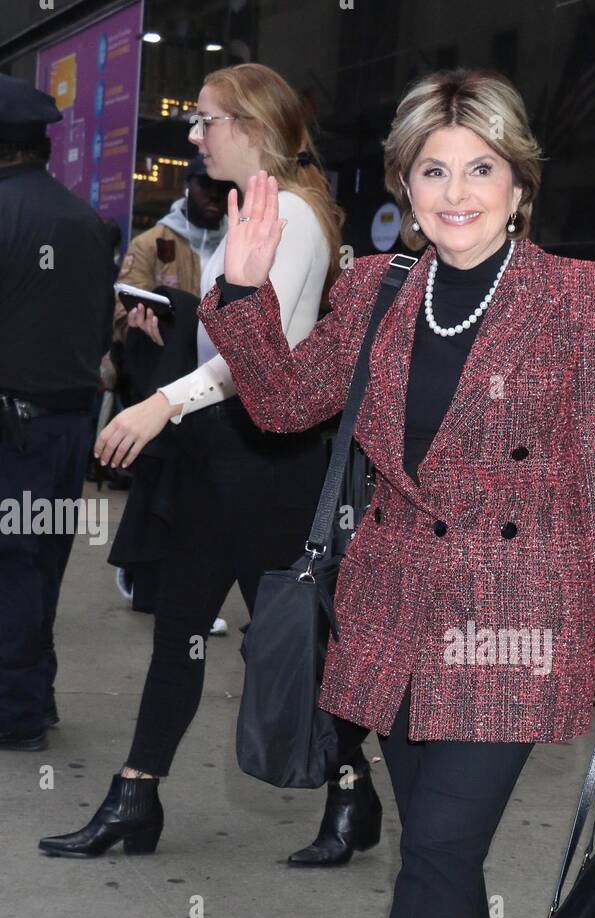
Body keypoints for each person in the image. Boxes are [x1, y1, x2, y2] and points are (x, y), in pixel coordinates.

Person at [198, 67, 595, 918]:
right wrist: (246, 298)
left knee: (440, 856)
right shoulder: (378, 287)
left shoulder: (581, 295)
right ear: (404, 183)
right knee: (434, 852)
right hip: (396, 612)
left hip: (518, 624)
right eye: (434, 170)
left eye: (481, 169)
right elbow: (290, 403)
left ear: (519, 183)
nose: (458, 193)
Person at [38, 62, 377, 862]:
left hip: (268, 463)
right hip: (222, 456)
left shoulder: (289, 216)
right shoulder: (254, 211)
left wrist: (159, 404)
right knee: (180, 631)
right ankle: (135, 797)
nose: (192, 137)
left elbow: (264, 356)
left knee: (289, 644)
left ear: (254, 128)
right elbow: (234, 331)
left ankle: (351, 793)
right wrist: (175, 322)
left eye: (206, 120)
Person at [0, 75, 113, 752]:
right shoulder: (85, 221)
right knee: (41, 563)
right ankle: (33, 697)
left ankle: (15, 713)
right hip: (71, 425)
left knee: (8, 567)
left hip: (12, 429)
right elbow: (101, 331)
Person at [112, 153, 229, 343]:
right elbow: (123, 312)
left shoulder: (239, 244)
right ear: (188, 186)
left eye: (223, 187)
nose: (214, 194)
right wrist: (143, 332)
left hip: (222, 362)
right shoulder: (149, 244)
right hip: (166, 360)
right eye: (206, 184)